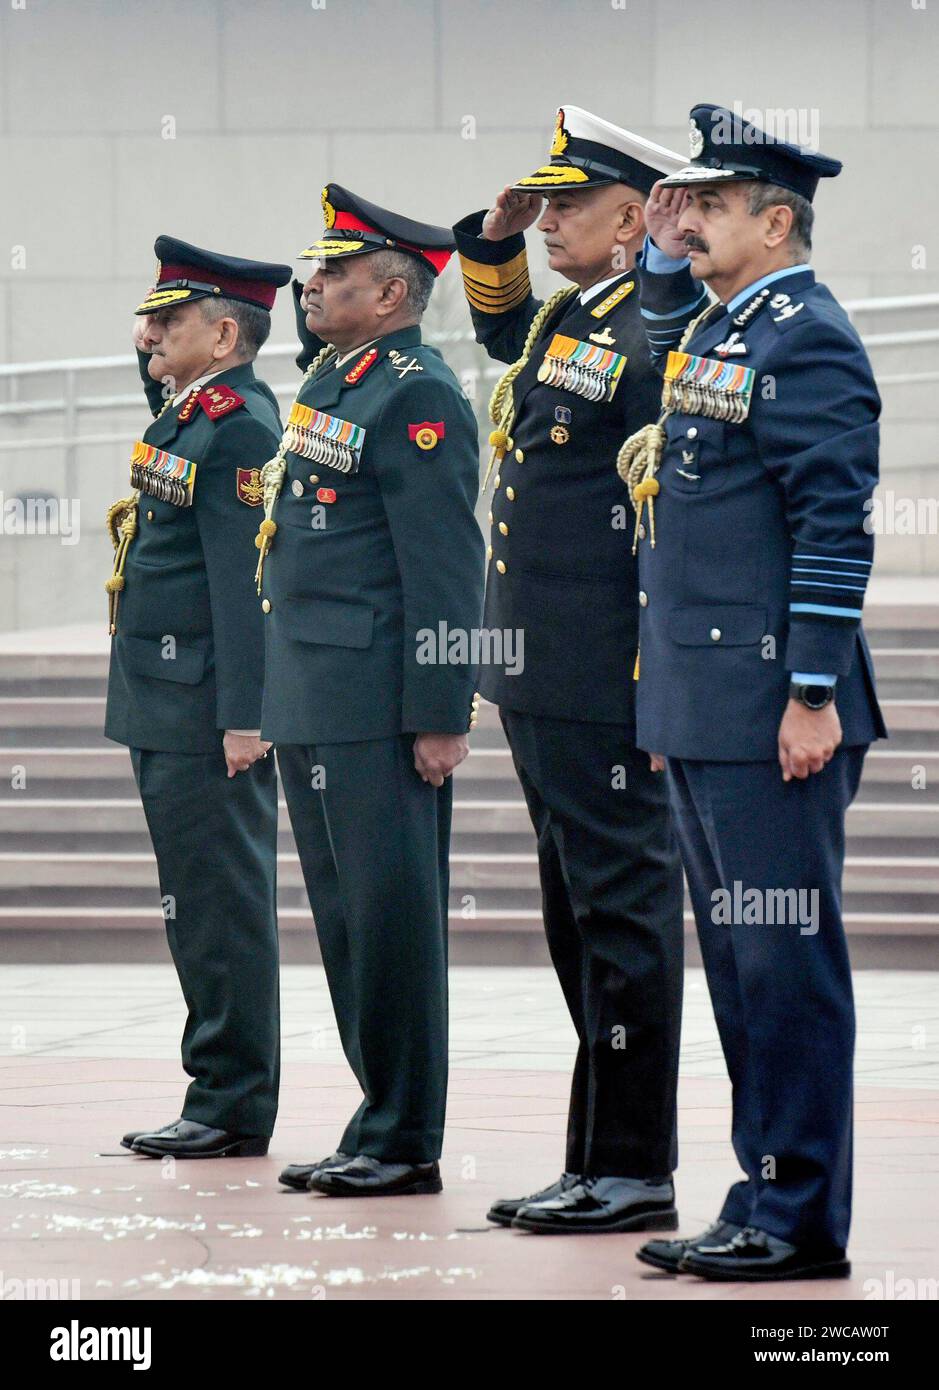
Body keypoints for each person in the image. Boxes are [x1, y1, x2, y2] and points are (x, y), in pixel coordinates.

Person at [624, 104, 886, 1280]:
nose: (689, 219)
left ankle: (802, 1222)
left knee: (785, 969)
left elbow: (836, 523)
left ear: (777, 222)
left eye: (714, 206)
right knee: (739, 971)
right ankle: (758, 1195)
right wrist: (660, 248)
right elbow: (653, 318)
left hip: (777, 702)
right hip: (707, 703)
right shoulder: (731, 325)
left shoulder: (808, 337)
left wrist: (815, 690)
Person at [452, 106, 688, 1234]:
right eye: (543, 203)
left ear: (634, 218)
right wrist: (492, 245)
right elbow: (505, 346)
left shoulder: (654, 334)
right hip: (542, 675)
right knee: (576, 922)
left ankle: (636, 1164)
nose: (548, 221)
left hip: (607, 680)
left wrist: (659, 686)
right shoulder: (572, 318)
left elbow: (664, 526)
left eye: (567, 205)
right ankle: (594, 1157)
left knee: (624, 920)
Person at [259, 186, 485, 1198]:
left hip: (378, 700)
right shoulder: (332, 380)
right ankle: (373, 1117)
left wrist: (440, 713)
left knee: (392, 919)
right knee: (347, 919)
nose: (313, 286)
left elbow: (443, 565)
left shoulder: (416, 393)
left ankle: (404, 1137)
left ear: (392, 294)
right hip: (311, 686)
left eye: (336, 275)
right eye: (316, 271)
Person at [105, 238, 291, 1159]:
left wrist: (245, 718)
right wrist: (148, 346)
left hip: (206, 709)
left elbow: (245, 585)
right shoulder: (193, 411)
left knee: (220, 907)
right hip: (162, 697)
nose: (150, 335)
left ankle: (230, 1100)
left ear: (223, 335)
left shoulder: (243, 427)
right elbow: (160, 396)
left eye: (170, 321)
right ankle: (213, 1085)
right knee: (196, 900)